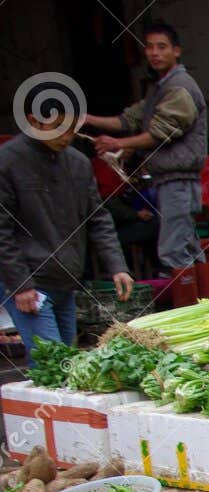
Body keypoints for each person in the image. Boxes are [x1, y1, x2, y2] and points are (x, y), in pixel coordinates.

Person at [0, 106, 134, 362]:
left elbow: (98, 217)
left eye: (73, 129)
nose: (66, 136)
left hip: (66, 277)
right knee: (52, 362)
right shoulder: (8, 160)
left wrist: (117, 265)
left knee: (68, 362)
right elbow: (2, 231)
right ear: (33, 121)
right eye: (59, 127)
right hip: (28, 279)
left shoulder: (78, 163)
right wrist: (21, 284)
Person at [82, 20, 208, 277]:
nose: (154, 53)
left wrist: (118, 143)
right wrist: (87, 119)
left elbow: (162, 132)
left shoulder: (180, 87)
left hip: (179, 181)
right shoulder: (159, 88)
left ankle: (193, 309)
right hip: (170, 182)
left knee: (174, 252)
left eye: (162, 47)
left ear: (176, 50)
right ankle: (207, 302)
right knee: (188, 248)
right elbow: (128, 119)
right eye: (149, 47)